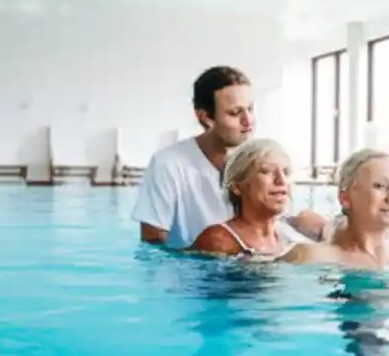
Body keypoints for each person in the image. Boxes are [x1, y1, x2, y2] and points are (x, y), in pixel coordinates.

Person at [132, 66, 327, 248]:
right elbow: (153, 244)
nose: (248, 121)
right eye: (235, 113)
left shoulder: (259, 159)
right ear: (205, 117)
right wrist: (208, 256)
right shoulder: (169, 165)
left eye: (250, 109)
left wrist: (327, 229)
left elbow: (285, 216)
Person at [190, 138, 298, 259]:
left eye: (286, 172)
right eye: (266, 171)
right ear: (237, 186)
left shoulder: (288, 238)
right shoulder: (219, 241)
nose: (281, 180)